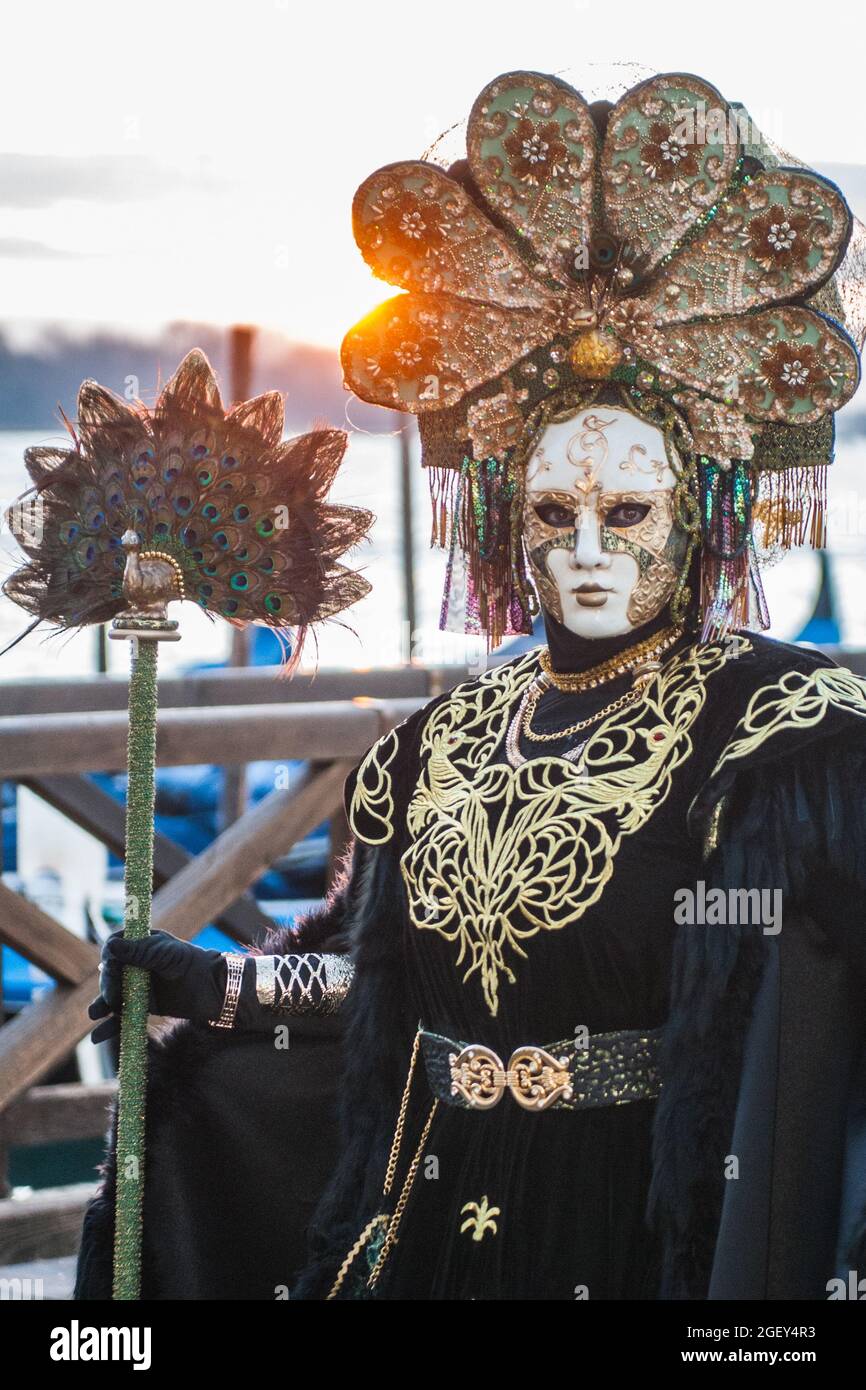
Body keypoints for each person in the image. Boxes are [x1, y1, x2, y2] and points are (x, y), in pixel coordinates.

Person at [80, 68, 866, 1301]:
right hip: (435, 1229)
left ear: (702, 509)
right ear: (505, 521)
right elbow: (380, 999)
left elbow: (796, 1068)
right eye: (556, 510)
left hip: (636, 1237)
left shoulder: (779, 738)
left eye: (629, 509)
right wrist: (220, 987)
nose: (591, 547)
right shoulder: (445, 734)